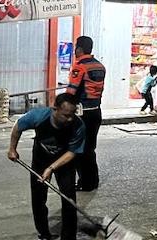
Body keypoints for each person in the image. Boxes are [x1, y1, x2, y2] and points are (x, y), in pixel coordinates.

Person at [7, 93, 85, 240]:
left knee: (69, 199)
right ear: (54, 109)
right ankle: (44, 236)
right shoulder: (38, 116)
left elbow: (72, 152)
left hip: (64, 162)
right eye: (66, 115)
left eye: (73, 115)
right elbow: (18, 126)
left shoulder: (78, 125)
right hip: (41, 158)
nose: (70, 119)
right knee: (38, 198)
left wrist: (51, 168)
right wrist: (12, 149)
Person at [66, 36, 106, 192]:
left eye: (76, 47)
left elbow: (71, 91)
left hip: (82, 114)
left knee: (79, 149)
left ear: (80, 49)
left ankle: (85, 182)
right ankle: (92, 181)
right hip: (96, 112)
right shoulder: (100, 66)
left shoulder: (79, 66)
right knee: (90, 148)